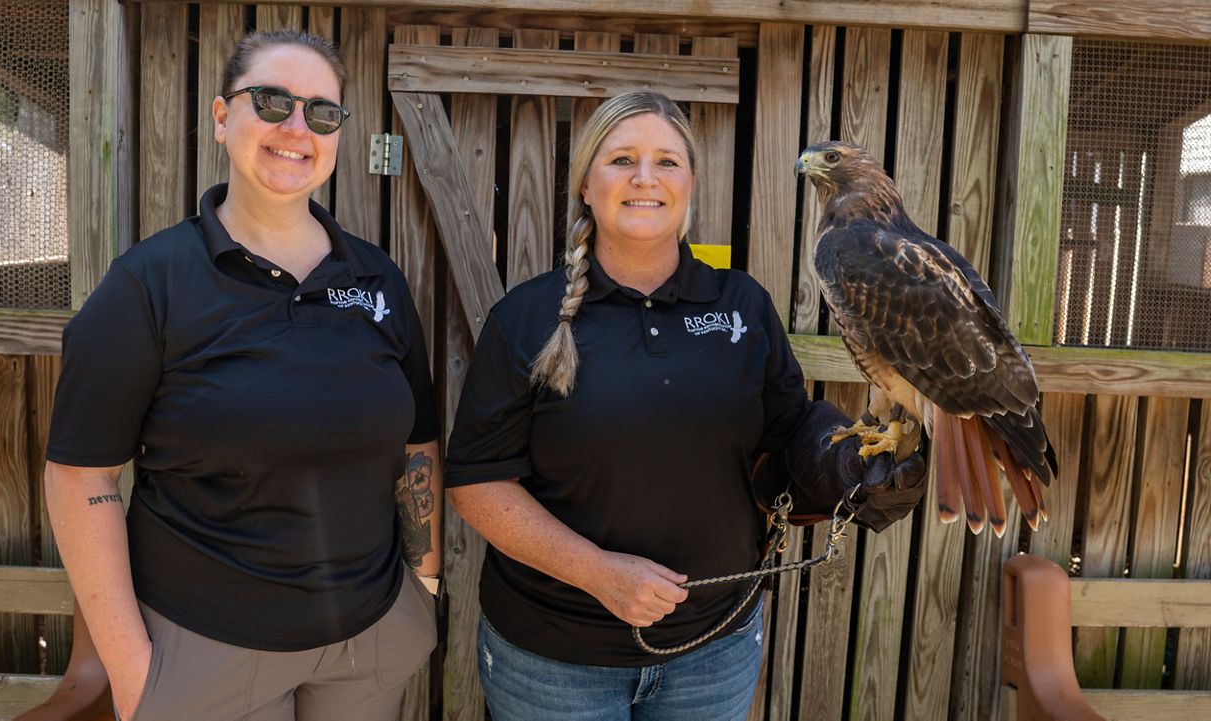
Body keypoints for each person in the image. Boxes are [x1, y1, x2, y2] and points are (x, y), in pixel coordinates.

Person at [445, 91, 927, 721]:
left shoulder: (742, 305)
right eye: (622, 160)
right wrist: (597, 572)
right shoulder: (524, 318)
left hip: (713, 650)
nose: (645, 178)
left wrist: (841, 467)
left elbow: (784, 438)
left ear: (690, 183)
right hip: (553, 660)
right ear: (586, 186)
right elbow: (478, 483)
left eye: (666, 162)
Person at [45, 30, 440, 721]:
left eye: (322, 112)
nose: (297, 127)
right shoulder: (150, 283)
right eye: (272, 101)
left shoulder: (378, 279)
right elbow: (80, 475)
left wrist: (425, 584)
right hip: (204, 650)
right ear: (223, 119)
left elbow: (417, 442)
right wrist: (133, 667)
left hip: (369, 643)